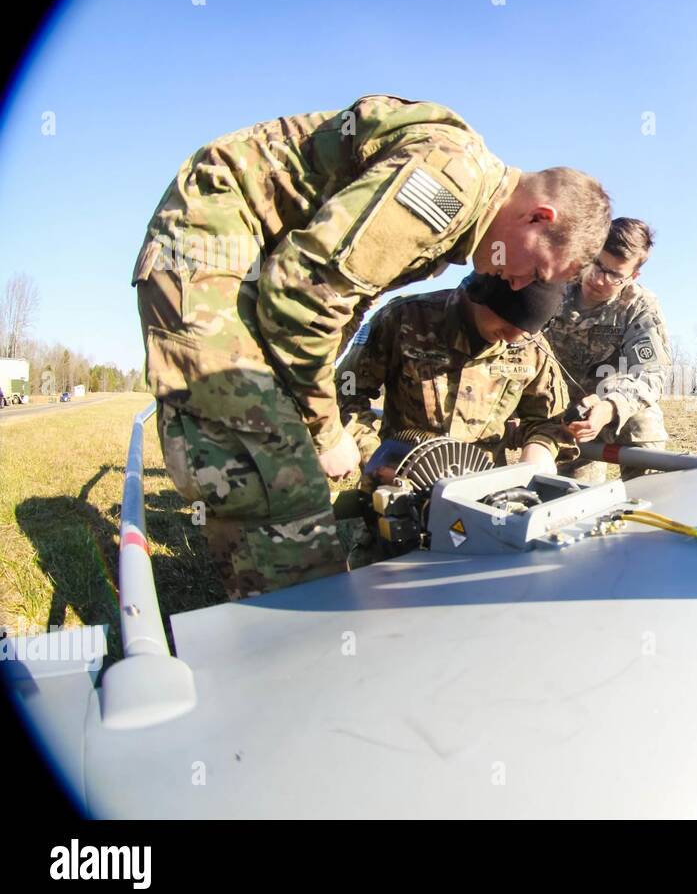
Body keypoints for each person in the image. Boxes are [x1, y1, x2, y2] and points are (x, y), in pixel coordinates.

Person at [132, 94, 609, 597]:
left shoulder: (460, 208)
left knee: (283, 463)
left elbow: (334, 299)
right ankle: (292, 639)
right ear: (539, 216)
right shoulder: (452, 183)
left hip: (258, 255)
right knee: (273, 471)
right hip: (218, 237)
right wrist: (326, 430)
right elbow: (303, 295)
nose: (518, 287)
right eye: (534, 272)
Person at [336, 275, 574, 482]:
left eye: (527, 330)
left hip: (480, 498)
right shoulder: (404, 318)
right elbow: (346, 391)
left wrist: (540, 447)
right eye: (510, 322)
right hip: (395, 488)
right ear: (482, 295)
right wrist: (375, 455)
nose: (513, 338)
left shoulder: (530, 346)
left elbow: (549, 419)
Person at [544, 218, 671, 483]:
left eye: (614, 275)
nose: (599, 279)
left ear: (633, 276)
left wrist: (610, 406)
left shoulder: (639, 306)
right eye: (598, 265)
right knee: (574, 496)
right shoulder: (553, 285)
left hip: (616, 404)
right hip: (566, 412)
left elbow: (650, 374)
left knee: (645, 427)